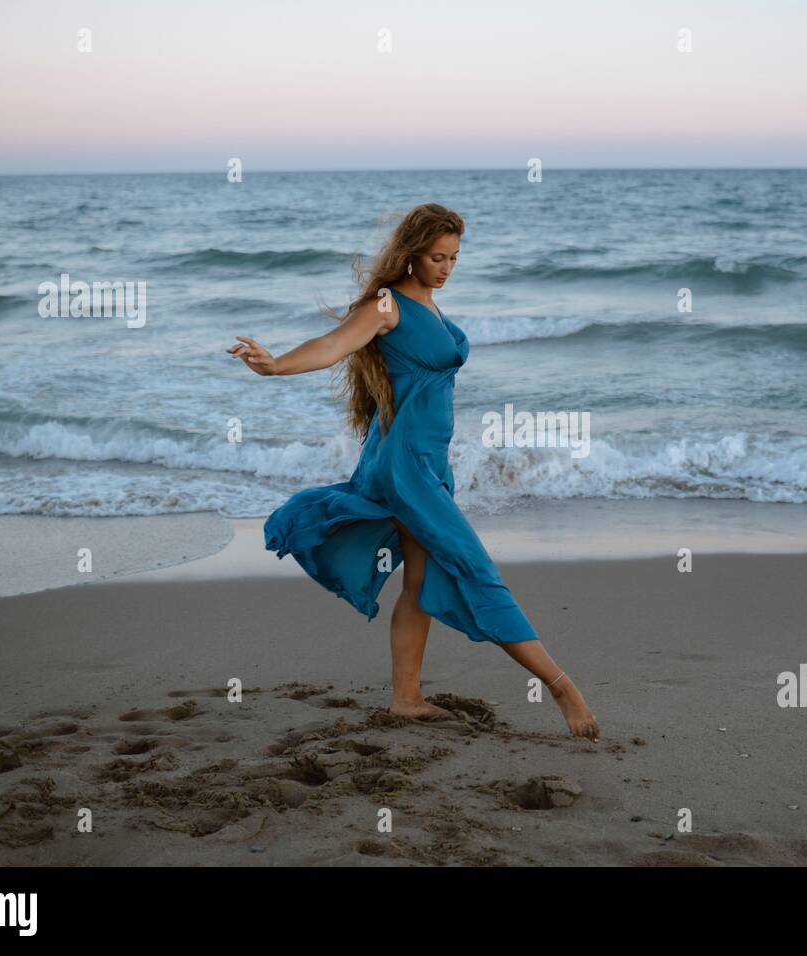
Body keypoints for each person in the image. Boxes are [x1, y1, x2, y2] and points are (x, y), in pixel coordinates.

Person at [228, 203, 599, 740]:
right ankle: (563, 687)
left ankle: (406, 699)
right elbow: (334, 345)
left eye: (454, 258)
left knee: (422, 581)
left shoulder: (431, 307)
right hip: (406, 469)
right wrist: (276, 364)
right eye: (436, 257)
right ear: (411, 252)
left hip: (427, 463)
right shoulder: (386, 305)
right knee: (474, 570)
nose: (446, 268)